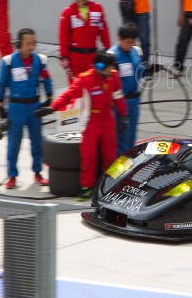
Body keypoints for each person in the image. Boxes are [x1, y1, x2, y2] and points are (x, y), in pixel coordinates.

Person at [35, 50, 128, 199]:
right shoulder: (85, 79)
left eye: (112, 67)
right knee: (88, 156)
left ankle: (109, 186)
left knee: (110, 156)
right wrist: (52, 108)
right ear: (99, 66)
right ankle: (87, 187)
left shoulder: (114, 76)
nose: (112, 70)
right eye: (109, 67)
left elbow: (118, 97)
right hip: (90, 122)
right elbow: (68, 95)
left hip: (108, 121)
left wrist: (124, 115)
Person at [0, 28, 53, 189]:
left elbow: (46, 79)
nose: (31, 46)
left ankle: (38, 173)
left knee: (37, 142)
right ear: (19, 44)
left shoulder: (40, 60)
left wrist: (48, 98)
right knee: (14, 143)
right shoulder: (8, 62)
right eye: (28, 43)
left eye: (33, 43)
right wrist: (0, 106)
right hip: (16, 108)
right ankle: (12, 175)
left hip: (34, 106)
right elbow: (2, 84)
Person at [58, 0, 111, 83]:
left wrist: (107, 50)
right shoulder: (68, 12)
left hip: (92, 56)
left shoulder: (97, 8)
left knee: (94, 86)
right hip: (75, 58)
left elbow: (104, 30)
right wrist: (64, 57)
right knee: (76, 90)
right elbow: (63, 36)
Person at [108, 24, 145, 155]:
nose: (131, 44)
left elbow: (138, 72)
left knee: (131, 137)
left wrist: (148, 70)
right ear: (119, 39)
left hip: (134, 101)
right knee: (121, 138)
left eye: (133, 41)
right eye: (128, 42)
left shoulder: (135, 52)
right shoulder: (112, 56)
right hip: (120, 103)